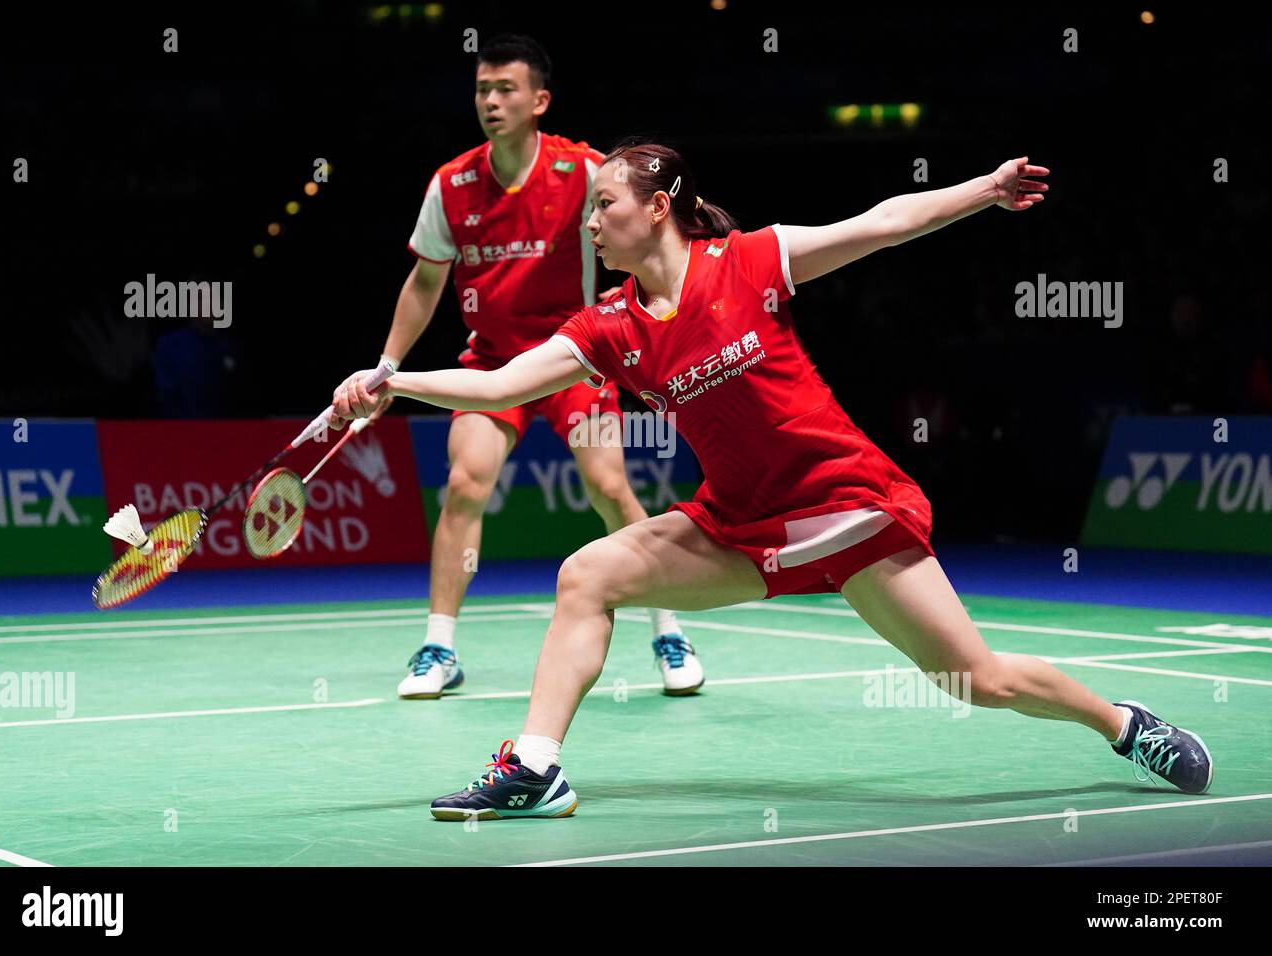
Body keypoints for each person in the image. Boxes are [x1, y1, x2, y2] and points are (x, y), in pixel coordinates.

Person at [332, 142, 1214, 820]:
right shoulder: (610, 326)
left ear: (658, 206)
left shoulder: (752, 263)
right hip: (738, 527)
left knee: (974, 678)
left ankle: (1125, 726)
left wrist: (983, 190)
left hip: (847, 512)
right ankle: (536, 767)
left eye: (604, 206)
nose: (588, 224)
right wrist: (389, 383)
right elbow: (498, 385)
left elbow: (884, 222)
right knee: (587, 574)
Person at [349, 36, 703, 698]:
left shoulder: (583, 172)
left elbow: (651, 233)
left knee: (609, 488)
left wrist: (628, 298)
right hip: (491, 364)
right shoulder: (451, 184)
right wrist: (387, 365)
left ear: (539, 100)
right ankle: (439, 647)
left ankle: (667, 625)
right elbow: (426, 284)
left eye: (506, 89)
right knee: (463, 484)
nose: (491, 101)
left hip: (575, 358)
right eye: (483, 89)